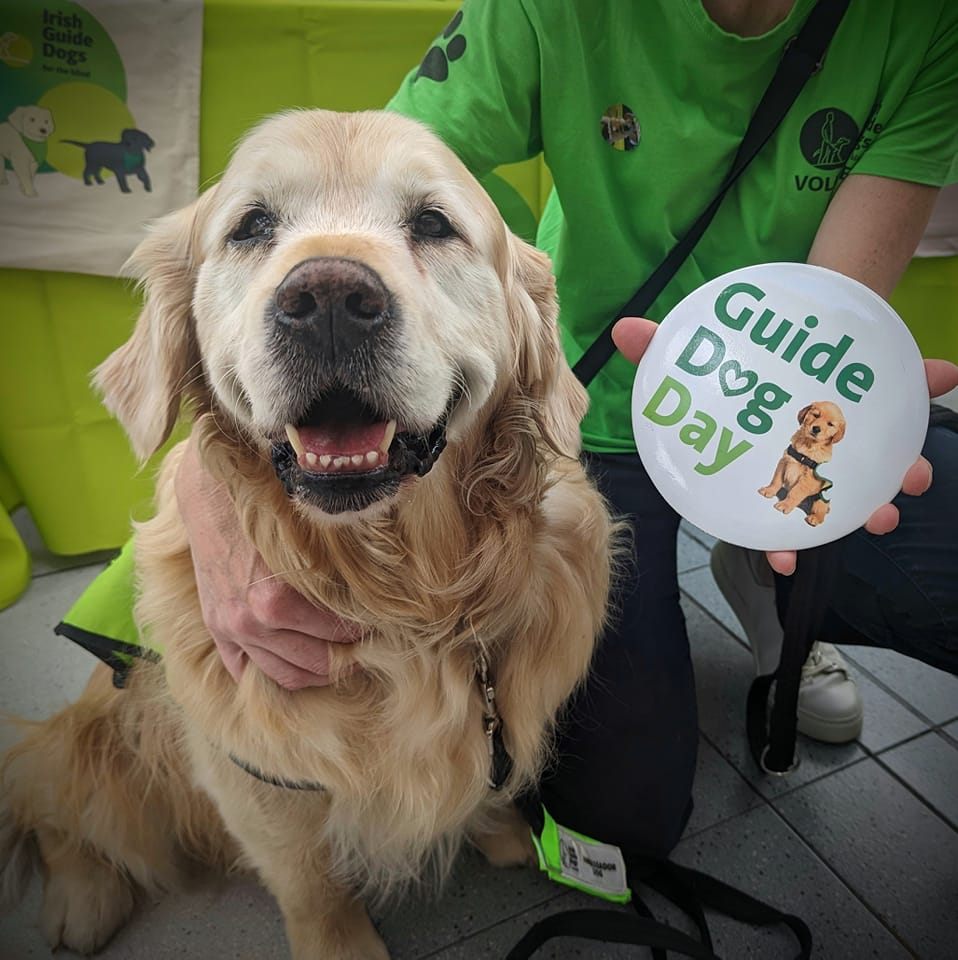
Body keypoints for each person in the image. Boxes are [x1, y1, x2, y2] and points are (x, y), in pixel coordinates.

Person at [63, 0, 958, 861]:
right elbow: (366, 167)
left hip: (763, 421)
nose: (329, 287)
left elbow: (833, 326)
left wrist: (846, 434)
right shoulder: (549, 3)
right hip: (599, 412)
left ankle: (752, 558)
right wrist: (203, 493)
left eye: (429, 230)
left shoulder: (923, 21)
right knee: (630, 823)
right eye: (256, 228)